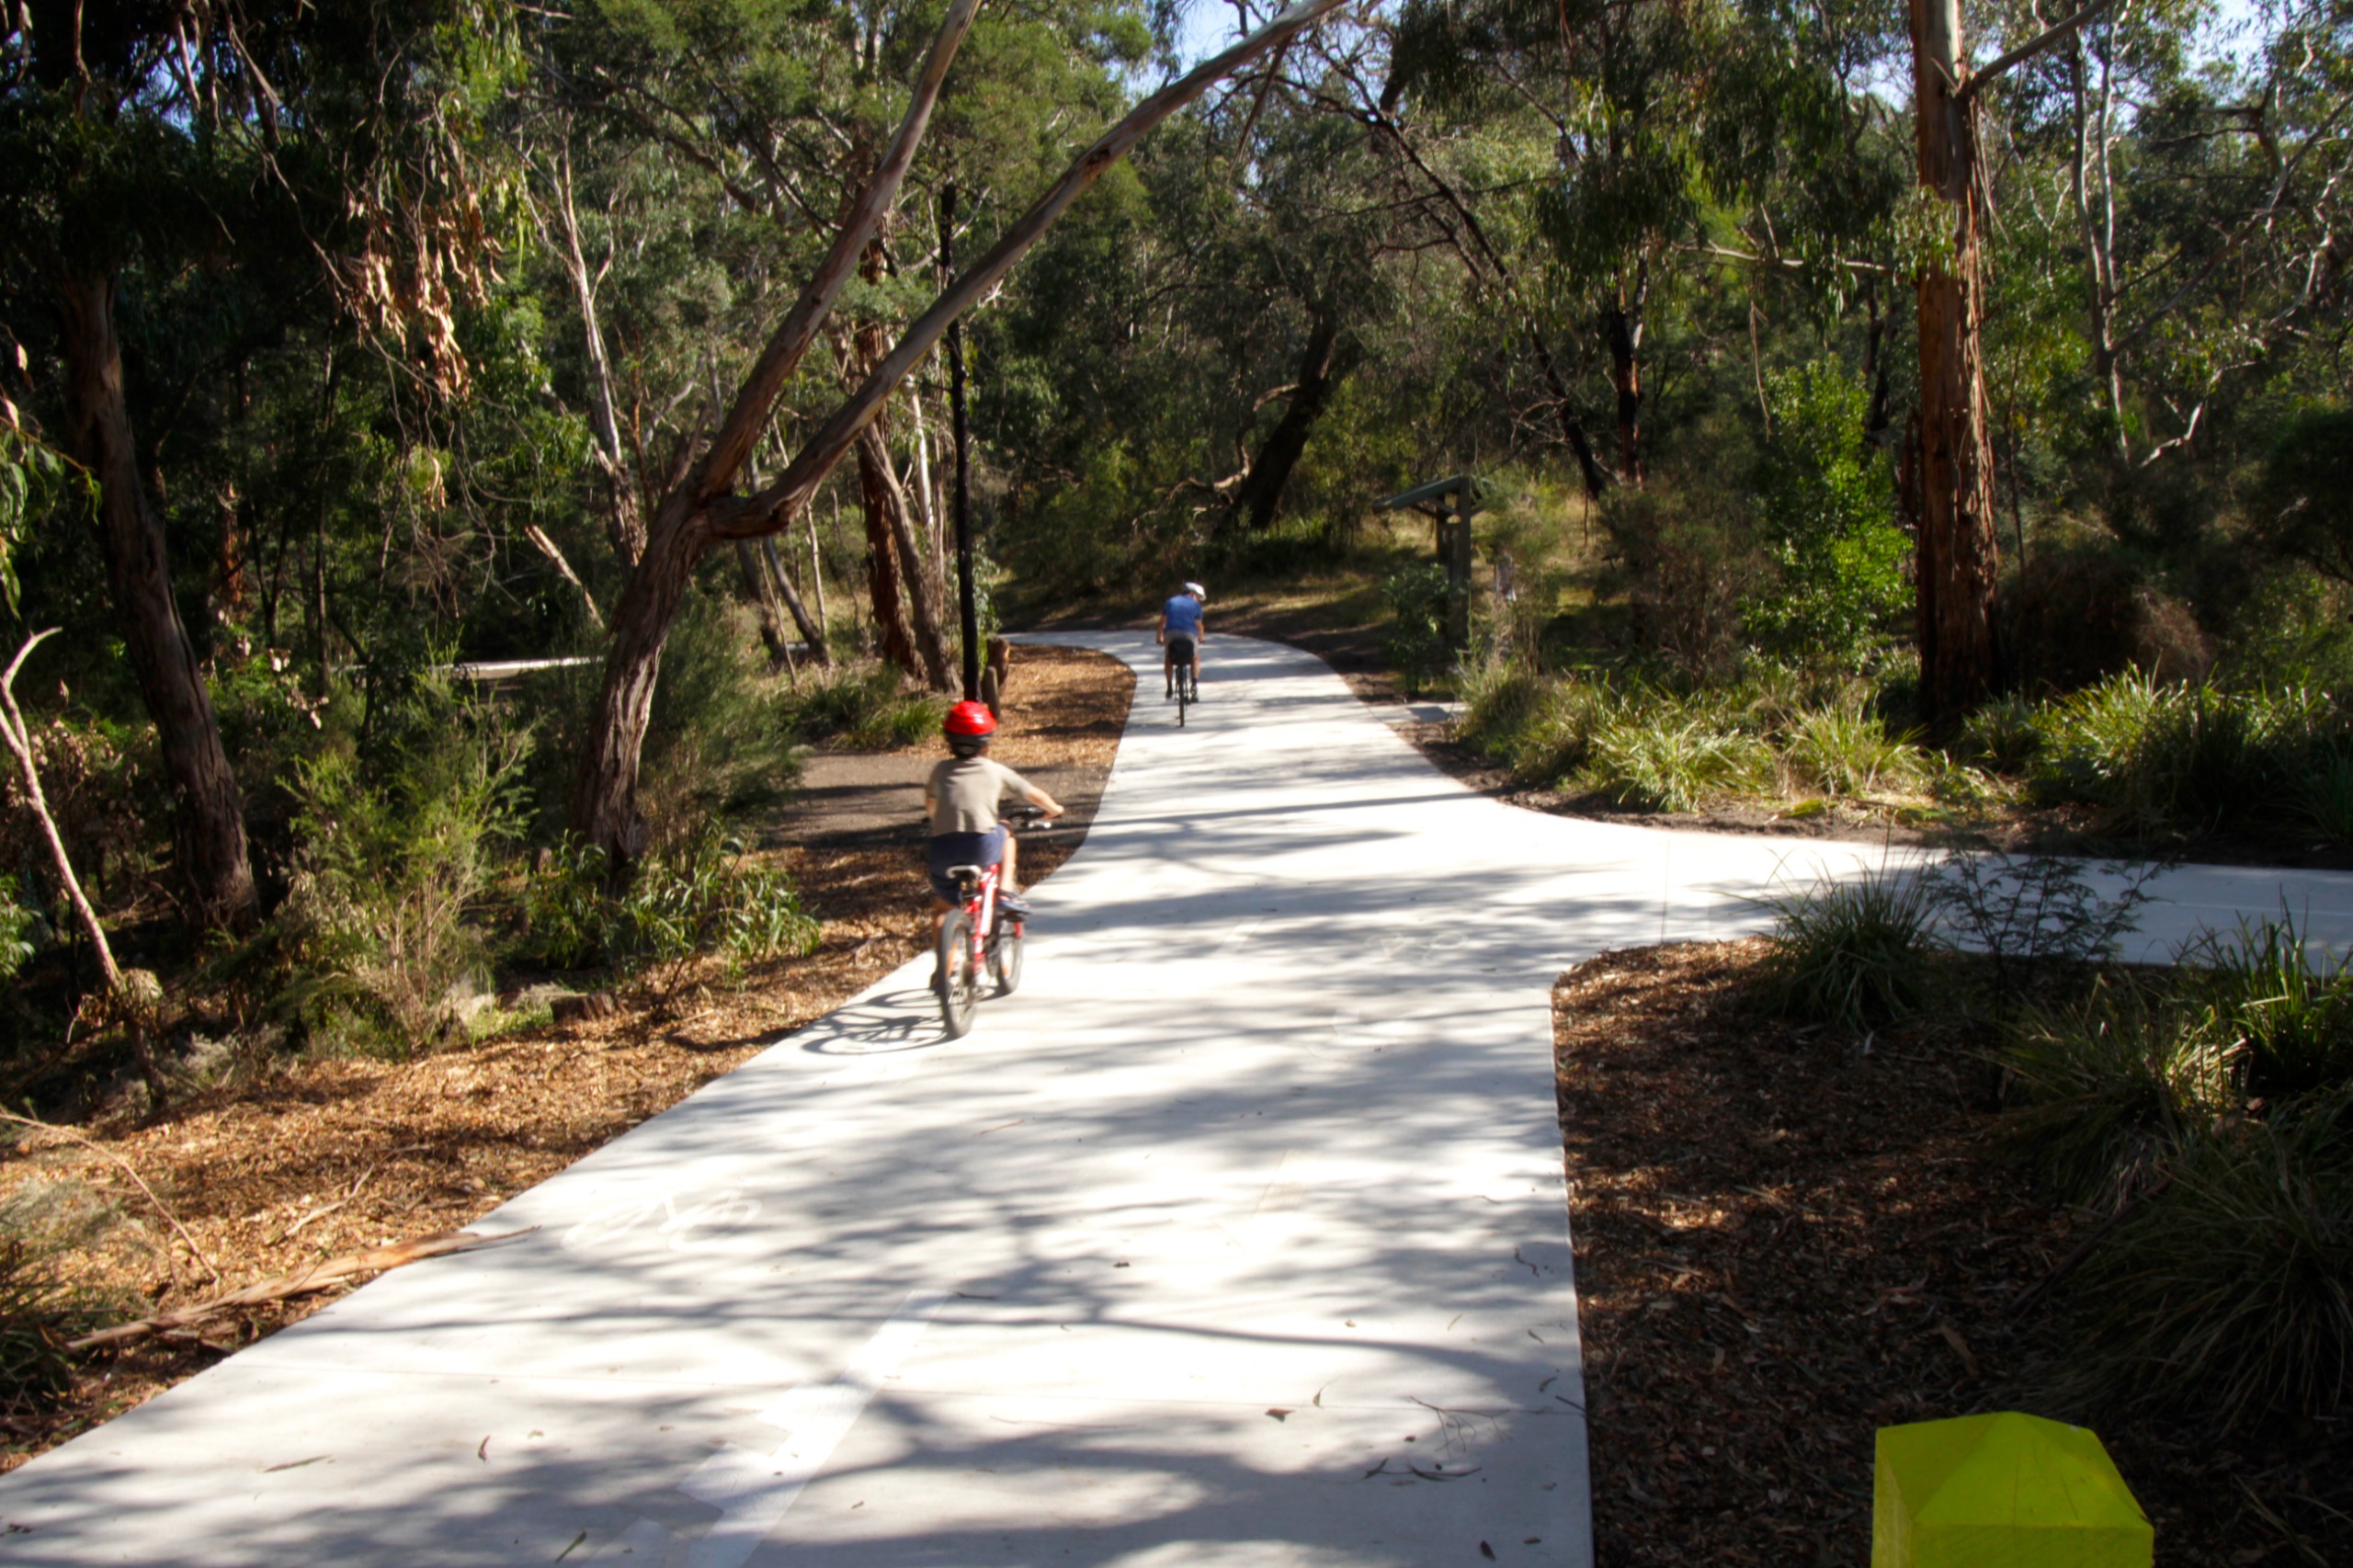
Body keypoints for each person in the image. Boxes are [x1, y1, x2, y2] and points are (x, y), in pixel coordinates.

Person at [925, 701, 1063, 929]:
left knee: (944, 908)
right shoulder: (994, 770)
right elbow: (1032, 794)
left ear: (949, 741)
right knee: (1006, 830)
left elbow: (931, 806)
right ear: (985, 742)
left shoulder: (940, 770)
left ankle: (945, 965)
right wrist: (1055, 808)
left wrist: (937, 817)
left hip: (943, 850)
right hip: (981, 845)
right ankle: (1005, 893)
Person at [1156, 580, 1207, 699]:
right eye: (1198, 597)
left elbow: (1161, 623)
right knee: (1195, 658)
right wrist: (1201, 638)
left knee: (1168, 658)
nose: (1198, 599)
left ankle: (1169, 687)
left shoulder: (1170, 601)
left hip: (1171, 633)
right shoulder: (1195, 605)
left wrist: (1159, 638)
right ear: (1193, 594)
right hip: (1189, 634)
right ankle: (1194, 685)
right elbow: (1199, 625)